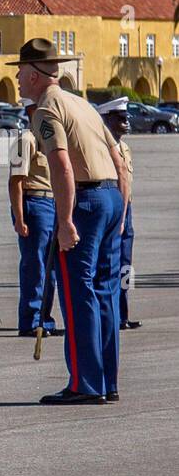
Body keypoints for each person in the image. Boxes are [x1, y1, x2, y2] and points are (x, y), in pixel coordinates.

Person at [12, 37, 129, 404]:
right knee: (105, 291)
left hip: (85, 201)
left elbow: (61, 165)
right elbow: (120, 161)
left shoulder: (47, 109)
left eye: (19, 70)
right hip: (109, 196)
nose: (16, 77)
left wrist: (64, 220)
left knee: (78, 292)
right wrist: (121, 212)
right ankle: (107, 381)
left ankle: (84, 383)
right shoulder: (84, 105)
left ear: (33, 74)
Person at [7, 96, 61, 338]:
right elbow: (16, 181)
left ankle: (44, 319)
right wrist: (19, 217)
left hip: (51, 203)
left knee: (50, 268)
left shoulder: (49, 140)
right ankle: (30, 320)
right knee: (35, 266)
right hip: (34, 203)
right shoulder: (25, 140)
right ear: (33, 111)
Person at [97, 96, 140, 330]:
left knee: (126, 265)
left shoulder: (124, 148)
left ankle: (123, 312)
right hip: (112, 211)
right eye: (120, 119)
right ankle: (110, 313)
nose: (125, 123)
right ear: (107, 120)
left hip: (127, 209)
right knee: (108, 264)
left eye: (126, 118)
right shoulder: (102, 149)